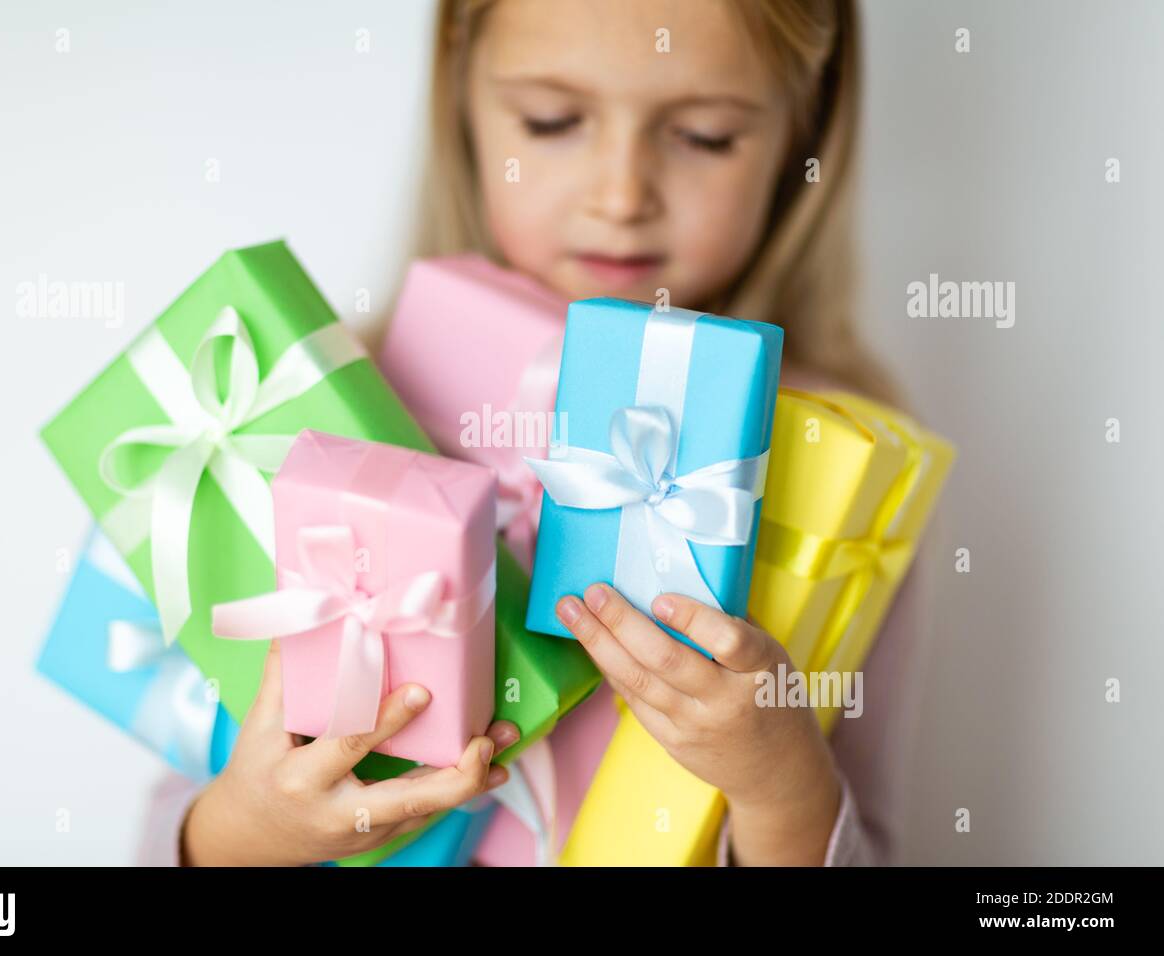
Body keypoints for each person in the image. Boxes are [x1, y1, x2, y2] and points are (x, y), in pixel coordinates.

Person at [141, 0, 931, 866]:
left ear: (800, 136)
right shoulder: (315, 410)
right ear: (463, 107)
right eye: (552, 121)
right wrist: (243, 834)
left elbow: (879, 847)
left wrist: (781, 784)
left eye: (706, 135)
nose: (622, 195)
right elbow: (182, 791)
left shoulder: (832, 472)